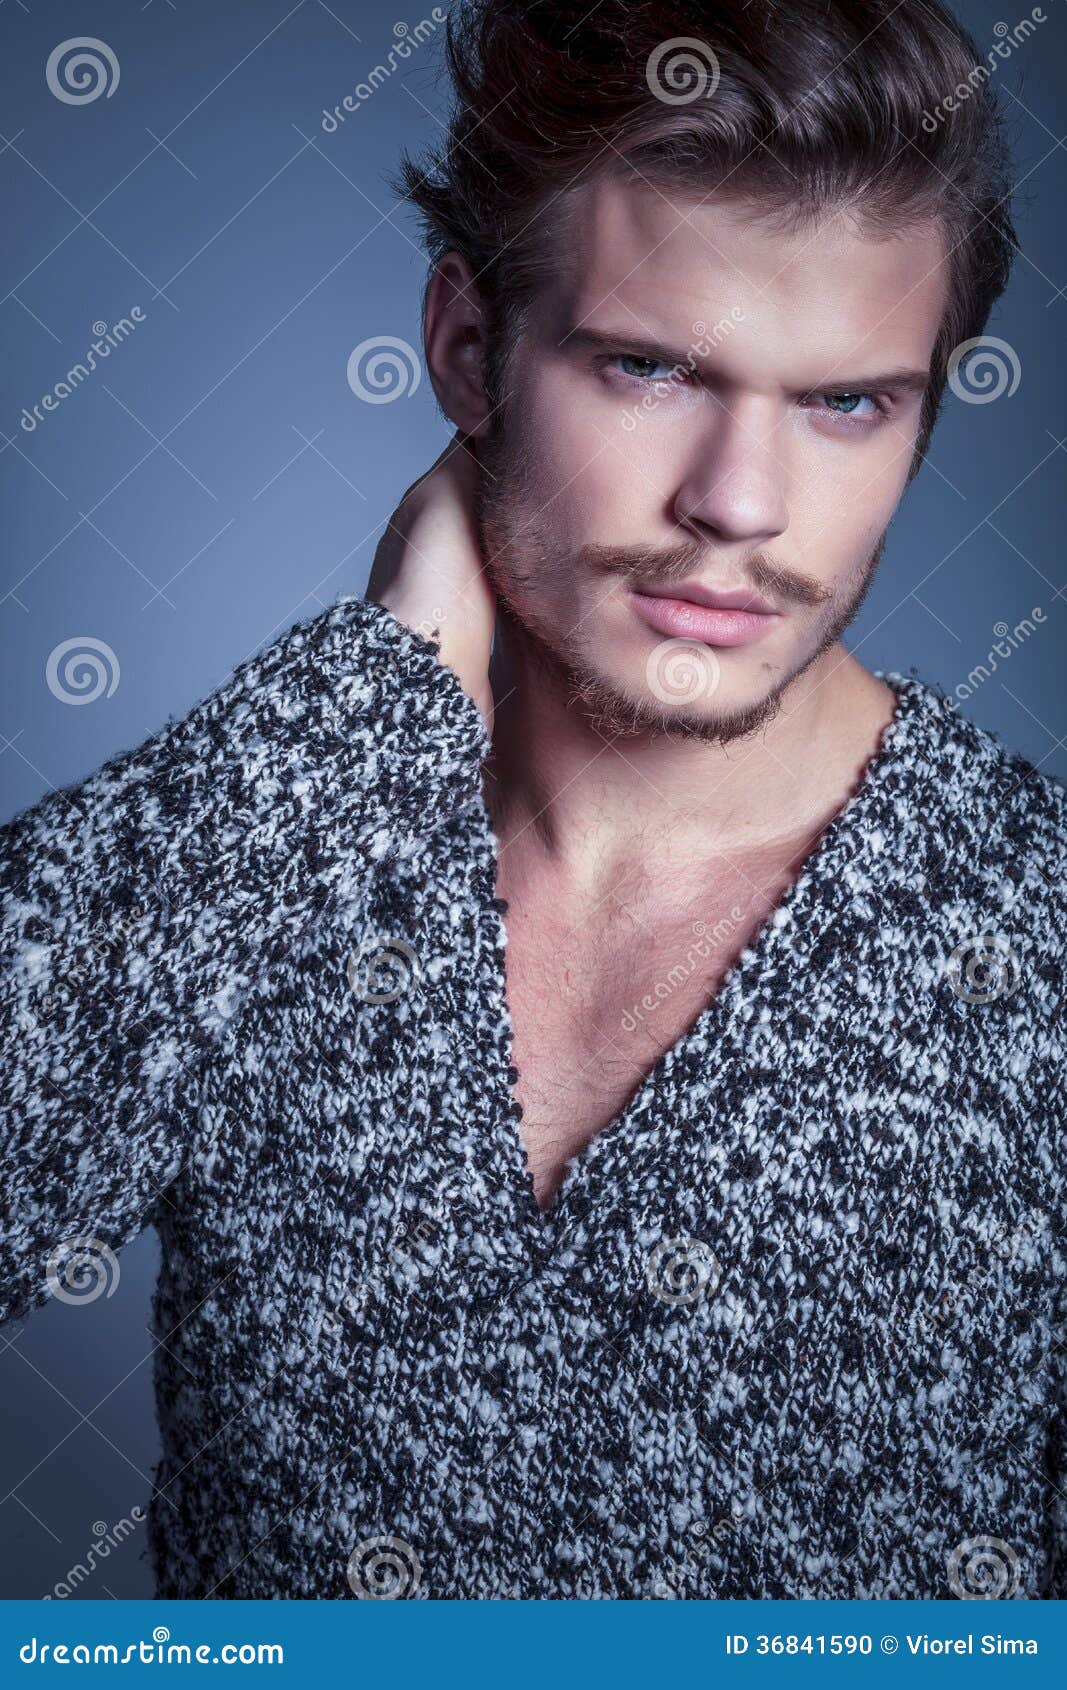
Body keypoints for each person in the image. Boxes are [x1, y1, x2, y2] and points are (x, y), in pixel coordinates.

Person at [2, 0, 1064, 1600]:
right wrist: (372, 702)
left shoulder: (1036, 945)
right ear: (466, 348)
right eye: (648, 366)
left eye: (849, 402)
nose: (740, 505)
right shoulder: (287, 839)